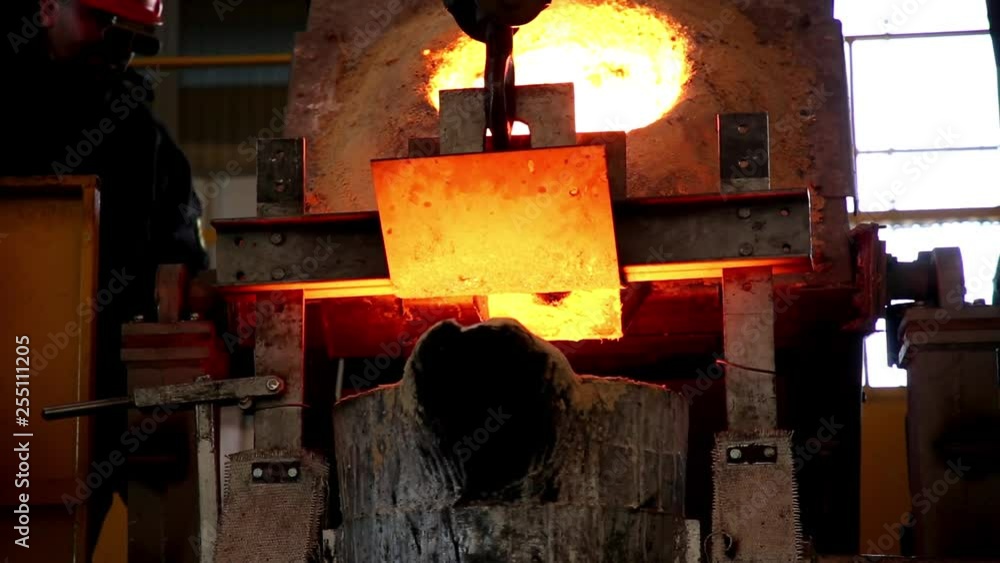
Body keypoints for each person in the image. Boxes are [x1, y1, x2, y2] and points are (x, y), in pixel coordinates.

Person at [1, 0, 208, 558]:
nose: (115, 42)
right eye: (102, 19)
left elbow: (177, 247)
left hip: (97, 390)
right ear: (45, 9)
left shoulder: (142, 138)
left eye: (131, 32)